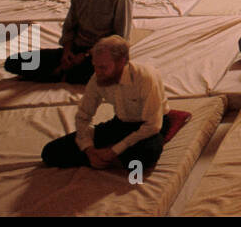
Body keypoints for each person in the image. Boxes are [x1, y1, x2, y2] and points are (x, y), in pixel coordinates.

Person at [40, 36, 172, 173]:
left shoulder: (145, 77)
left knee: (140, 160)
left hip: (150, 125)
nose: (97, 72)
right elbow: (83, 116)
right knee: (50, 152)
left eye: (103, 67)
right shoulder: (98, 77)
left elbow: (153, 125)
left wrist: (113, 151)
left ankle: (111, 159)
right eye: (95, 66)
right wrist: (89, 150)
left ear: (122, 62)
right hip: (121, 123)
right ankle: (102, 160)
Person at [5, 0, 132, 84]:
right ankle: (62, 71)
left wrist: (87, 55)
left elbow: (120, 39)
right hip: (75, 51)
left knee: (98, 74)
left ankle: (60, 73)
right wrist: (66, 52)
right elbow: (69, 28)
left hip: (103, 54)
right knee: (13, 63)